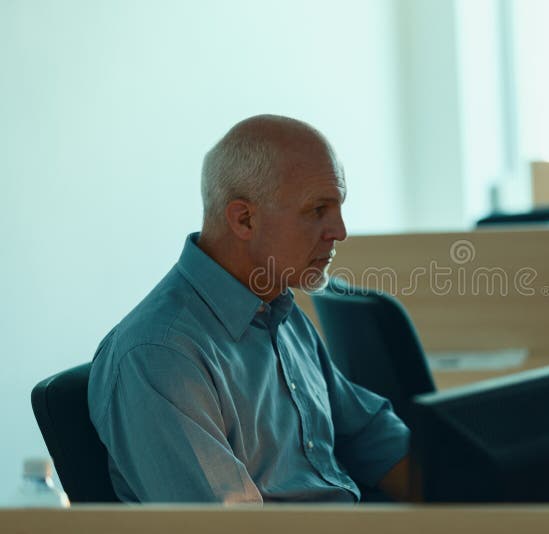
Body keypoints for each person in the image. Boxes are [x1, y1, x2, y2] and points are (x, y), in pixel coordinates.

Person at [88, 115, 410, 503]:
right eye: (318, 210)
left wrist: (476, 494)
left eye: (339, 208)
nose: (340, 231)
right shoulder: (160, 356)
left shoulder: (280, 312)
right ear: (244, 219)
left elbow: (371, 438)